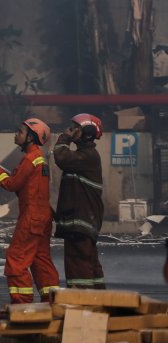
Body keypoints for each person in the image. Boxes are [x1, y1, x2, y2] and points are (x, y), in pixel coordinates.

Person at [0, 117, 59, 303]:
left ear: (31, 138)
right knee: (40, 259)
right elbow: (20, 182)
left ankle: (22, 304)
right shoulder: (38, 159)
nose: (15, 134)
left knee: (16, 258)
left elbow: (10, 184)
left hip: (31, 216)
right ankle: (52, 301)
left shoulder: (30, 158)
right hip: (43, 216)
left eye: (20, 132)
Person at [53, 113, 105, 289]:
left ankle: (81, 306)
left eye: (75, 128)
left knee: (78, 268)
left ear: (86, 132)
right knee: (90, 264)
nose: (71, 130)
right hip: (81, 222)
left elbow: (61, 157)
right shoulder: (84, 156)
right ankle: (100, 303)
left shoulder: (88, 156)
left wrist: (64, 138)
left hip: (81, 223)